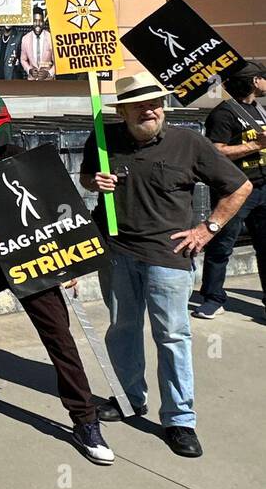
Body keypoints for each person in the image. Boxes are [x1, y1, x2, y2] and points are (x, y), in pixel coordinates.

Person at [0, 89, 115, 466]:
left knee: (57, 336)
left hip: (33, 252)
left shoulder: (25, 157)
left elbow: (59, 208)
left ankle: (84, 420)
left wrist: (67, 262)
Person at [82, 72, 250, 458]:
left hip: (169, 257)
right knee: (122, 328)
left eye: (155, 102)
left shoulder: (188, 143)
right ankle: (128, 398)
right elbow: (87, 177)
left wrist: (207, 230)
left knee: (172, 337)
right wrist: (95, 183)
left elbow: (238, 186)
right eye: (139, 104)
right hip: (117, 251)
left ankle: (179, 419)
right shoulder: (103, 138)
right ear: (122, 111)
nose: (150, 109)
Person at [191, 62, 266, 320]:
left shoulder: (260, 110)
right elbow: (214, 151)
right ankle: (212, 298)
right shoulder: (224, 114)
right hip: (234, 191)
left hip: (263, 189)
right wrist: (255, 144)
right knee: (221, 246)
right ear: (255, 81)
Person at [20, 7, 56, 81]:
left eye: (40, 21)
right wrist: (29, 70)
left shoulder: (51, 38)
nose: (38, 24)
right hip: (32, 81)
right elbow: (23, 60)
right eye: (35, 21)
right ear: (31, 22)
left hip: (48, 81)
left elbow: (57, 62)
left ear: (43, 22)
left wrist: (49, 73)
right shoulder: (25, 39)